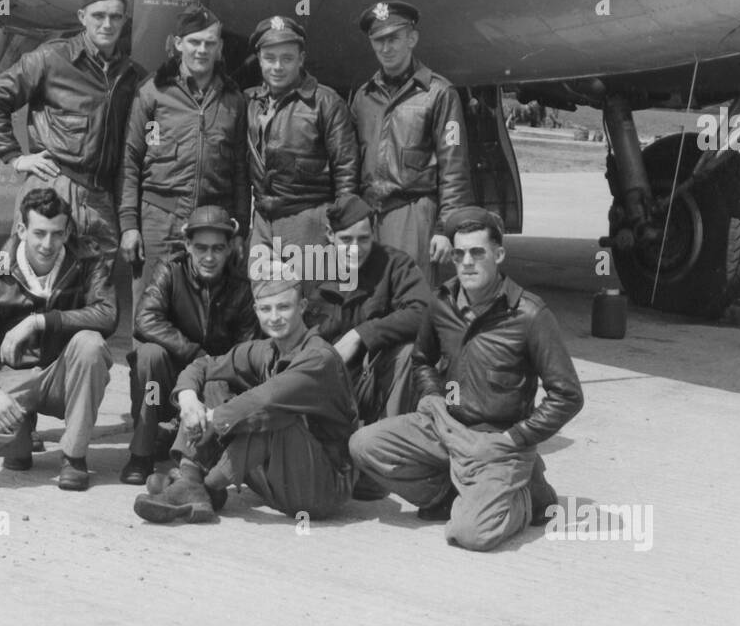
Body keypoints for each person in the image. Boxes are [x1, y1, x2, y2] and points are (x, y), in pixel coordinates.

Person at [348, 208, 584, 551]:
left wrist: (516, 437)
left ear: (499, 255)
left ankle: (528, 497)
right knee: (364, 445)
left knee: (471, 535)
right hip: (448, 427)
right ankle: (450, 494)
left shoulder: (530, 315)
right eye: (459, 254)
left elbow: (568, 395)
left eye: (478, 252)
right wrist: (432, 394)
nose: (467, 262)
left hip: (498, 441)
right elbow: (422, 358)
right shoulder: (441, 303)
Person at [132, 263, 358, 525]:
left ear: (303, 307)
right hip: (279, 482)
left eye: (284, 307)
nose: (274, 317)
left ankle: (203, 485)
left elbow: (266, 400)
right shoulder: (265, 350)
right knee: (215, 384)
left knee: (271, 413)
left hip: (322, 488)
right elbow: (203, 365)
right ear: (256, 311)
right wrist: (188, 400)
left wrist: (210, 419)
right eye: (266, 308)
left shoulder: (319, 358)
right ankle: (192, 482)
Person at [0, 187, 116, 492]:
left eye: (56, 234)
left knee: (91, 344)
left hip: (62, 377)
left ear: (67, 232)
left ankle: (74, 456)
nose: (47, 244)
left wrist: (39, 322)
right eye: (39, 233)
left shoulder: (87, 260)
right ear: (22, 230)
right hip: (13, 379)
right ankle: (22, 432)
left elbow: (106, 315)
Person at [0, 0, 145, 270]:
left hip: (99, 199)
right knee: (32, 290)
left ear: (124, 20)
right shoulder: (51, 58)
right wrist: (15, 158)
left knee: (94, 298)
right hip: (52, 189)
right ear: (82, 17)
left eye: (115, 16)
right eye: (98, 16)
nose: (107, 24)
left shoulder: (131, 76)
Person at [117, 4, 250, 319]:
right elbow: (131, 161)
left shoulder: (234, 100)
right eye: (194, 41)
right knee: (150, 314)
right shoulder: (152, 93)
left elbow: (240, 172)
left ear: (219, 49)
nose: (201, 50)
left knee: (205, 315)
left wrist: (240, 229)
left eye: (209, 43)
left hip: (212, 223)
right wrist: (129, 226)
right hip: (159, 219)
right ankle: (147, 369)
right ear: (178, 43)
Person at [121, 205, 258, 485]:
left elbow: (246, 352)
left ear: (230, 248)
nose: (209, 257)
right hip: (165, 385)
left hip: (213, 382)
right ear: (187, 245)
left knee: (224, 382)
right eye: (201, 248)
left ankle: (192, 461)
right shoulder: (170, 270)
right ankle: (142, 451)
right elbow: (144, 320)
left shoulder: (242, 288)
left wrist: (209, 368)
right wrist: (196, 353)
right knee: (148, 355)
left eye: (218, 249)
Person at [350, 0, 474, 281]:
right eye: (378, 40)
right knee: (370, 302)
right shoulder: (363, 96)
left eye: (393, 38)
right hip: (368, 215)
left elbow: (453, 166)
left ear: (412, 38)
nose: (386, 47)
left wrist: (445, 228)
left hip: (412, 212)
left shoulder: (439, 93)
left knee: (412, 301)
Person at [306, 193, 430, 434]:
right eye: (346, 240)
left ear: (374, 233)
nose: (355, 249)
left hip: (375, 380)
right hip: (324, 376)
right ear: (330, 235)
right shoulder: (311, 269)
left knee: (406, 353)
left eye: (363, 239)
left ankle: (387, 439)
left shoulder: (395, 264)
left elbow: (423, 310)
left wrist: (360, 335)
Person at [244, 14, 358, 260]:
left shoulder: (326, 102)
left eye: (287, 58)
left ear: (301, 59)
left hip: (308, 219)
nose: (277, 67)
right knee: (264, 294)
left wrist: (343, 225)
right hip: (263, 221)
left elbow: (346, 169)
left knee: (307, 294)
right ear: (259, 60)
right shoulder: (250, 102)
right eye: (270, 58)